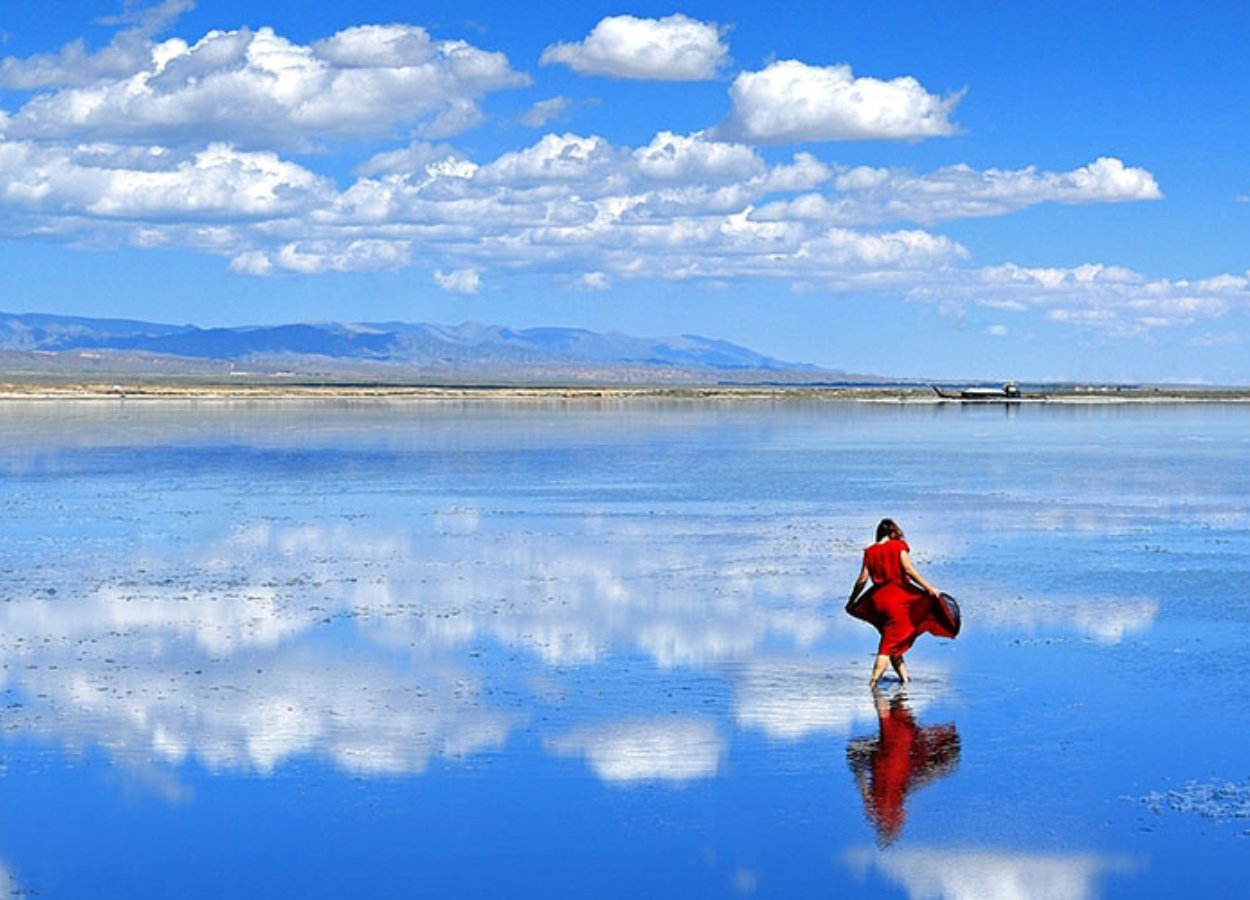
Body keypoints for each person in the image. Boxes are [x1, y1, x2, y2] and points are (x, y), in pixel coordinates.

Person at [847, 518, 954, 687]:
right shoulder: (899, 546)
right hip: (898, 601)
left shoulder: (870, 551)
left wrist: (852, 600)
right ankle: (873, 684)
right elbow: (909, 570)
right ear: (891, 533)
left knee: (892, 641)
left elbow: (862, 580)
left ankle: (905, 681)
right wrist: (929, 588)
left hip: (878, 601)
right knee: (887, 645)